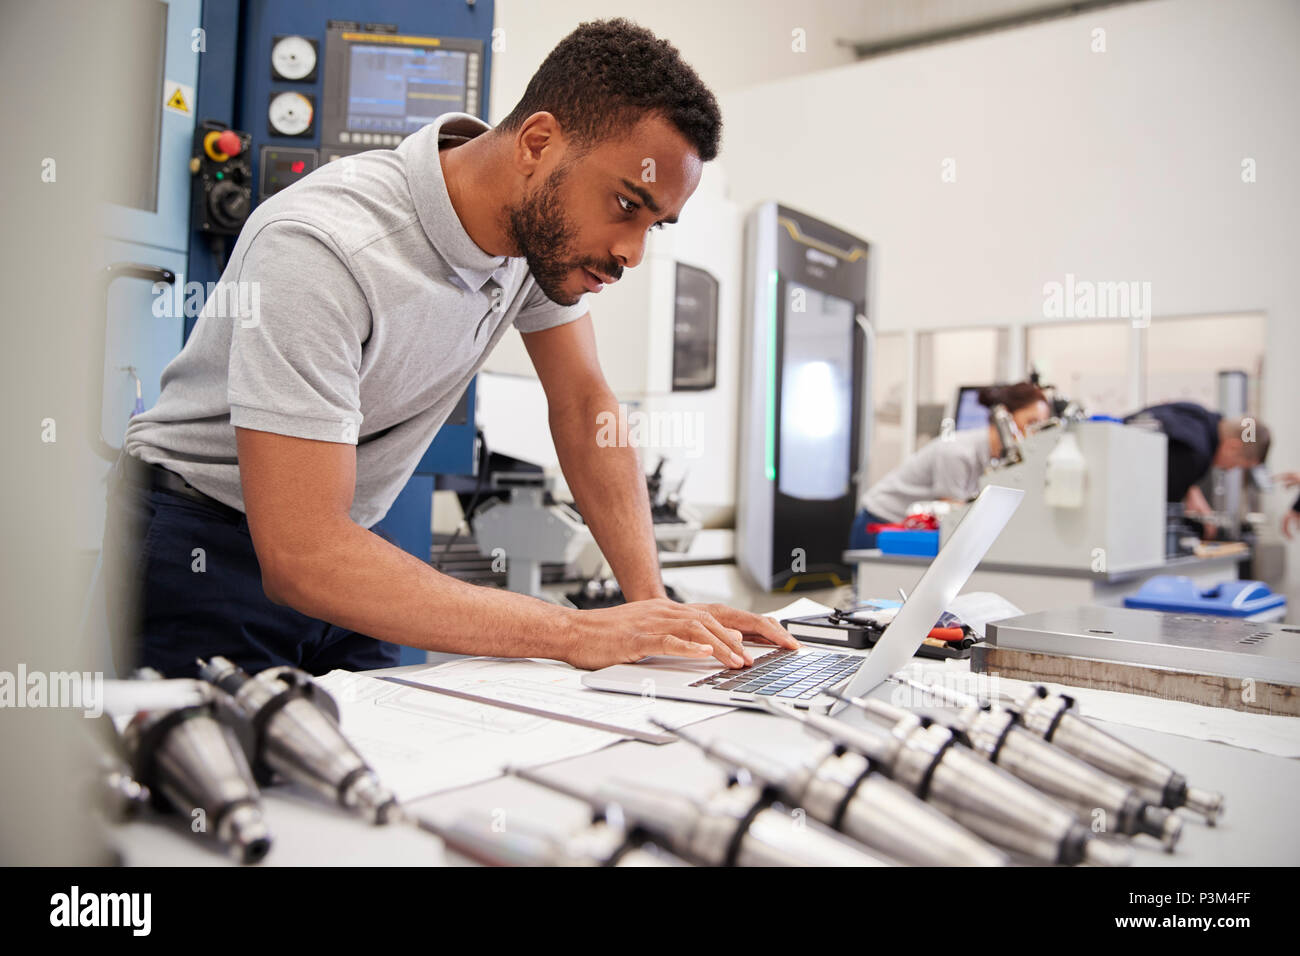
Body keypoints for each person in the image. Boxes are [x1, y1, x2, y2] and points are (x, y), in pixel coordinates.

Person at [105, 18, 797, 679]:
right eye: (625, 204)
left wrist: (655, 609)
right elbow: (301, 556)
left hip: (348, 554)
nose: (631, 253)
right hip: (203, 551)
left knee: (366, 788)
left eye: (657, 225)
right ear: (537, 143)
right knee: (209, 792)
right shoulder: (323, 247)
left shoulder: (535, 243)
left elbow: (586, 405)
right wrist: (577, 632)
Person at [850, 382, 1051, 548]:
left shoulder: (998, 457)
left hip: (912, 529)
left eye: (1040, 426)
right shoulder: (958, 452)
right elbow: (953, 512)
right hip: (880, 521)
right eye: (1031, 422)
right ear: (1005, 417)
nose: (1034, 433)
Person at [1123, 402, 1271, 535]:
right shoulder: (1196, 454)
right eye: (1238, 465)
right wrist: (1201, 529)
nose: (1231, 469)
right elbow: (1160, 519)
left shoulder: (1197, 414)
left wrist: (1189, 488)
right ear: (1232, 447)